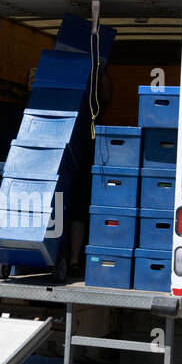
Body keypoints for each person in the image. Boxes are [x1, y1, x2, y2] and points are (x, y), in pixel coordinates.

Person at [67, 65, 112, 280]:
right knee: (73, 211)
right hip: (67, 162)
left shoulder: (93, 107)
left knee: (79, 210)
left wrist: (100, 70)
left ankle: (75, 261)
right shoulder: (69, 105)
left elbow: (106, 95)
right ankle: (71, 259)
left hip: (85, 162)